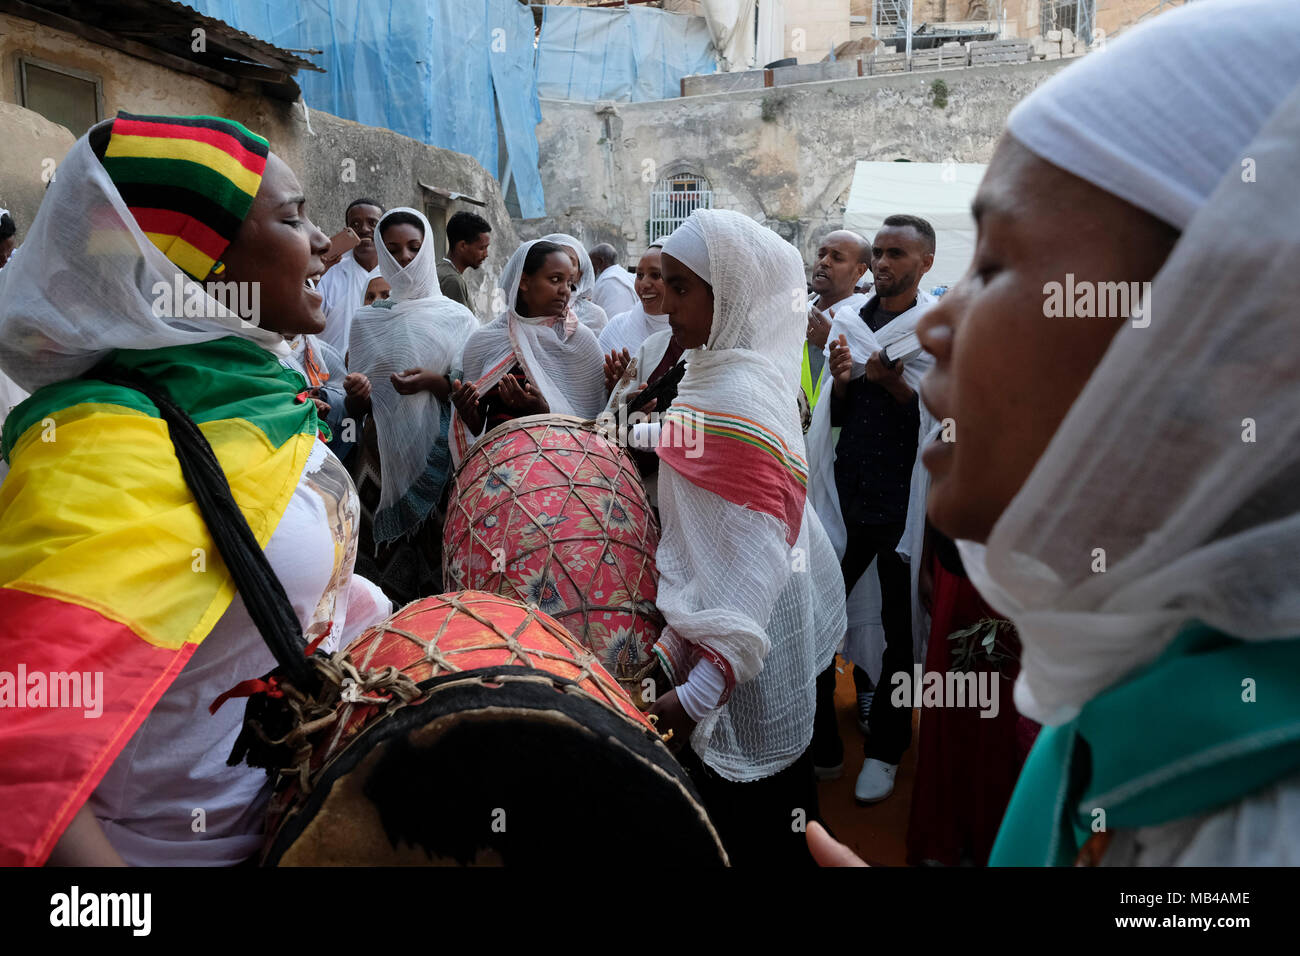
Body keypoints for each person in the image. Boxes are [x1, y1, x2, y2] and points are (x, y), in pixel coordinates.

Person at [815, 0, 1300, 867]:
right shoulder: (1140, 689)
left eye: (994, 267)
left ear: (1242, 344)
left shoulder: (1262, 832)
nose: (935, 328)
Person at [0, 111, 390, 866]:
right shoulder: (102, 442)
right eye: (291, 219)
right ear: (194, 270)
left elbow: (273, 577)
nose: (321, 243)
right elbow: (19, 731)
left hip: (279, 833)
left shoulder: (263, 399)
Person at [646, 209, 846, 867]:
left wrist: (699, 692)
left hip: (746, 644)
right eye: (663, 284)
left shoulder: (735, 391)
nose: (663, 302)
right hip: (735, 628)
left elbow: (758, 553)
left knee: (753, 828)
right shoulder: (716, 368)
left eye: (681, 288)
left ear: (729, 294)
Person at [806, 215, 938, 801]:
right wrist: (842, 382)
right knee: (813, 613)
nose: (883, 262)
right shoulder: (846, 322)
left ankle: (886, 749)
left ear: (925, 264)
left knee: (901, 631)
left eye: (897, 254)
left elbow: (946, 424)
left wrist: (896, 388)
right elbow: (834, 420)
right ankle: (818, 741)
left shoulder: (937, 333)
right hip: (844, 497)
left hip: (902, 507)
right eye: (879, 252)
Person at [346, 208, 477, 606]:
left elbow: (469, 397)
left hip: (438, 462)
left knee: (435, 569)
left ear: (426, 251)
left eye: (413, 248)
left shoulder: (458, 319)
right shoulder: (366, 320)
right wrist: (358, 397)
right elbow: (355, 410)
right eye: (394, 248)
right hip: (378, 459)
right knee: (373, 571)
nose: (404, 257)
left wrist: (435, 383)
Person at [450, 239, 605, 466]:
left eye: (569, 283)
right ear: (524, 282)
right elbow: (477, 428)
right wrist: (468, 413)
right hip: (497, 474)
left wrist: (541, 411)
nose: (565, 291)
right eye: (555, 280)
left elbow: (595, 425)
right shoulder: (484, 341)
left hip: (561, 477)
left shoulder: (580, 342)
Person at [599, 244, 681, 507]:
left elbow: (700, 439)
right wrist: (628, 411)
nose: (644, 284)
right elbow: (607, 425)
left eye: (656, 276)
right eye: (639, 274)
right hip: (638, 493)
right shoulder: (651, 346)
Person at [803, 230, 871, 411]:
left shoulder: (864, 318)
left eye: (837, 258)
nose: (824, 262)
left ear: (860, 270)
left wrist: (829, 343)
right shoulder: (798, 307)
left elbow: (870, 389)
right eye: (821, 254)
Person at [317, 197, 384, 356]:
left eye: (372, 223)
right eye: (355, 224)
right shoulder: (329, 272)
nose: (364, 229)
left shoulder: (394, 274)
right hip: (330, 373)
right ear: (346, 230)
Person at [542, 232, 609, 333]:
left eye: (569, 261)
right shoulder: (529, 310)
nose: (561, 264)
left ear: (579, 274)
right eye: (555, 258)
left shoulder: (594, 316)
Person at [438, 210, 491, 315]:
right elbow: (459, 328)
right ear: (462, 246)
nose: (486, 254)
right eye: (482, 248)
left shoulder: (442, 269)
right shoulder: (452, 280)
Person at [589, 242, 638, 318]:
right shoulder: (628, 276)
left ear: (600, 261)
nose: (591, 269)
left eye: (592, 264)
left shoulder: (606, 281)